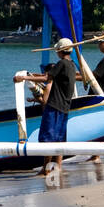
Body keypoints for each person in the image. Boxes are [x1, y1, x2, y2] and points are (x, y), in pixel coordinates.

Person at [17, 37, 77, 177]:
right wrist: (31, 75)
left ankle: (46, 169)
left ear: (60, 51)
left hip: (55, 105)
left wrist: (24, 78)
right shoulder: (71, 65)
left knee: (48, 138)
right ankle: (57, 167)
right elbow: (48, 76)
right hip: (65, 107)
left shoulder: (61, 63)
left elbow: (46, 79)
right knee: (59, 138)